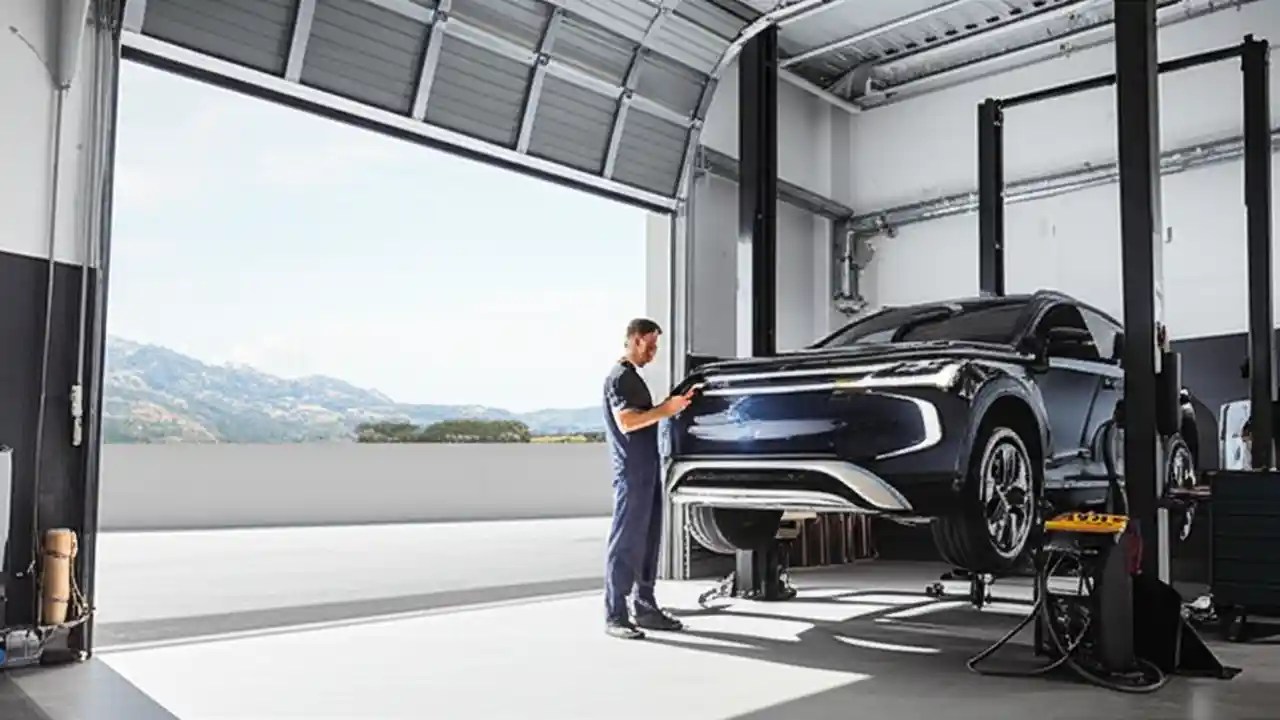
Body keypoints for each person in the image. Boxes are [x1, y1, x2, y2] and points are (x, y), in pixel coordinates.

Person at [602, 318, 699, 640]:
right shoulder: (621, 378)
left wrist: (676, 404)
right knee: (626, 542)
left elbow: (648, 415)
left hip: (647, 470)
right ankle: (615, 615)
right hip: (631, 473)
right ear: (635, 339)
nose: (654, 353)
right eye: (651, 345)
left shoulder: (633, 379)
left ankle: (645, 607)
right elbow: (629, 422)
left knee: (647, 542)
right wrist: (667, 409)